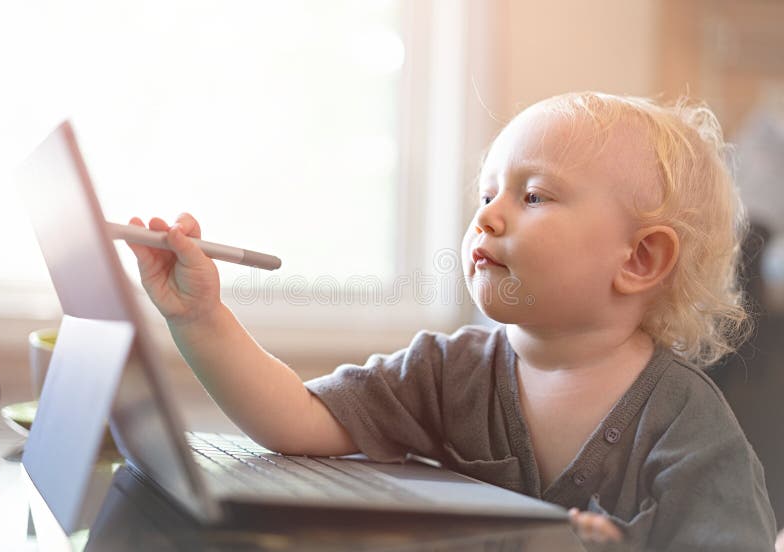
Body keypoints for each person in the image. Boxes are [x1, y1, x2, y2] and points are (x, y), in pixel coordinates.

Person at [128, 92, 776, 550]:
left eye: (533, 195)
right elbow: (294, 421)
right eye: (487, 194)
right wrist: (201, 317)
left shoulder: (686, 424)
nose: (489, 217)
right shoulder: (446, 370)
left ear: (639, 258)